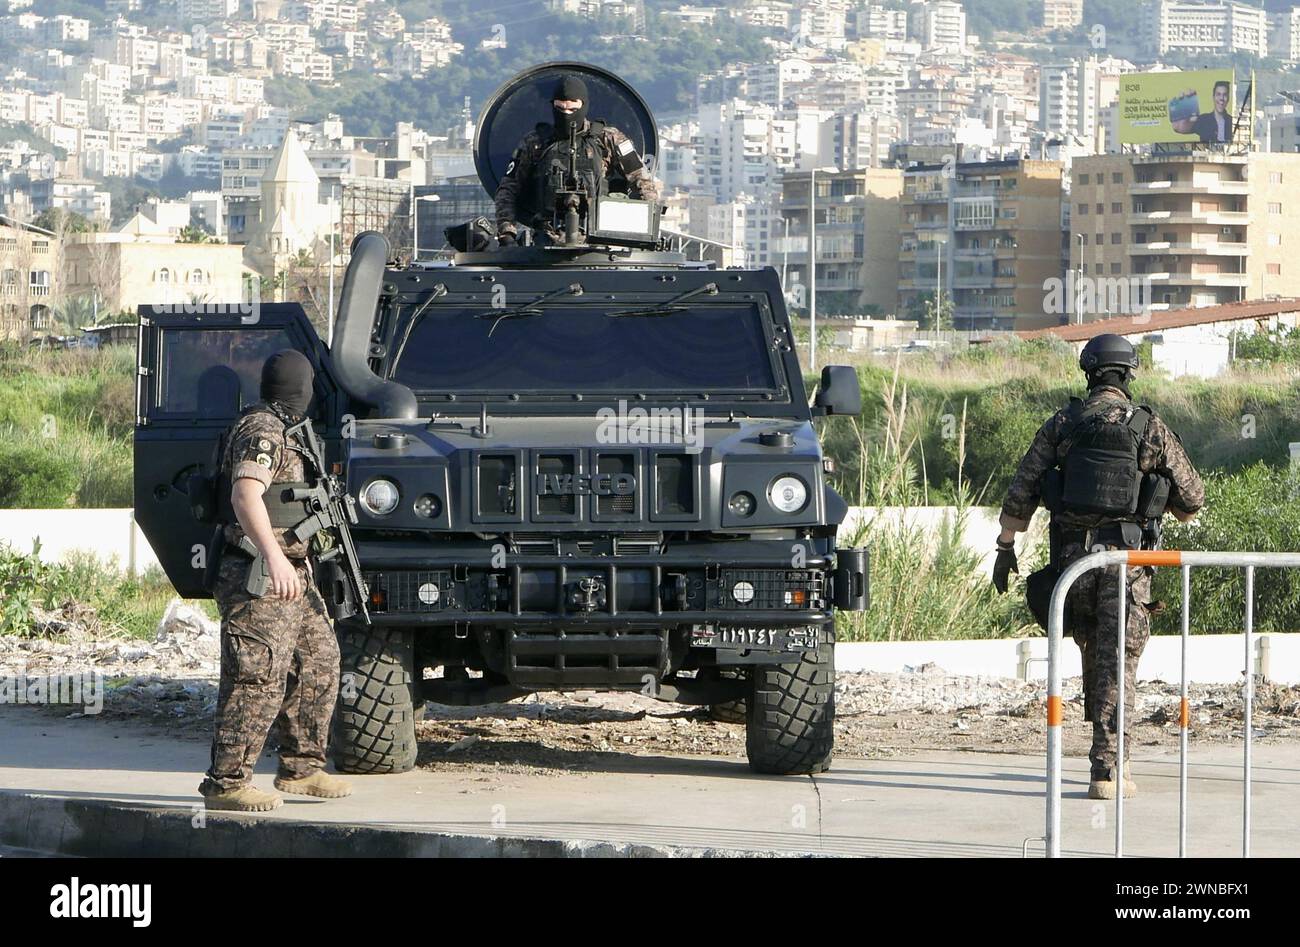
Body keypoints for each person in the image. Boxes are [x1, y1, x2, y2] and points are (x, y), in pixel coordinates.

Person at [992, 334, 1204, 800]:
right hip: (1125, 568)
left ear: (1088, 372)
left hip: (1073, 568)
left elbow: (1021, 491)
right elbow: (1192, 501)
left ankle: (1095, 754)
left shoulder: (1062, 424)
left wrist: (1005, 548)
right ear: (1128, 374)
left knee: (1092, 656)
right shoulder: (1150, 427)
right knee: (1119, 666)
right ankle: (1109, 769)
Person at [198, 349, 351, 811]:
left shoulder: (288, 428)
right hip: (257, 572)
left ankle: (302, 768)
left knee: (319, 661)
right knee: (256, 674)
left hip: (291, 574)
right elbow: (246, 495)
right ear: (296, 388)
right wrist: (274, 556)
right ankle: (226, 784)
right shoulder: (263, 430)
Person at [494, 74, 661, 245]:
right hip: (546, 238)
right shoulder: (535, 143)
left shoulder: (608, 139)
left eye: (573, 110)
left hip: (601, 238)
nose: (566, 114)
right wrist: (507, 232)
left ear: (583, 105)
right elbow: (508, 189)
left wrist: (649, 229)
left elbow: (642, 181)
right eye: (560, 109)